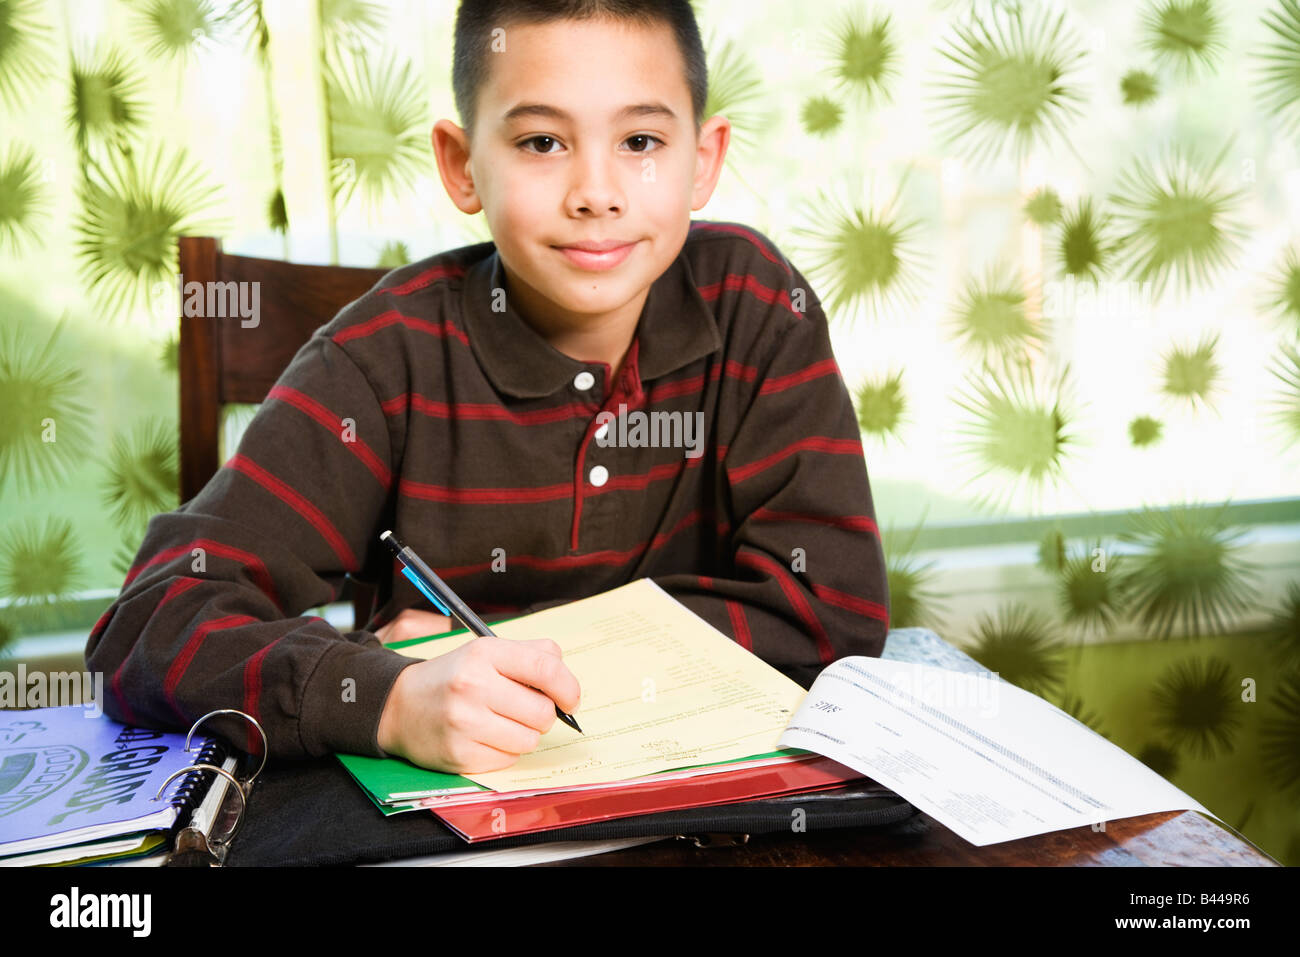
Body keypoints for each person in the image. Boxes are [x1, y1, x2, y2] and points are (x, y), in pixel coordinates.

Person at [85, 0, 890, 775]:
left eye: (641, 139)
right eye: (542, 142)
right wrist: (391, 697)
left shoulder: (759, 308)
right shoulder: (379, 360)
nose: (596, 192)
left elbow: (832, 612)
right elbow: (150, 624)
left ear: (703, 160)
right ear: (462, 164)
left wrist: (491, 652)